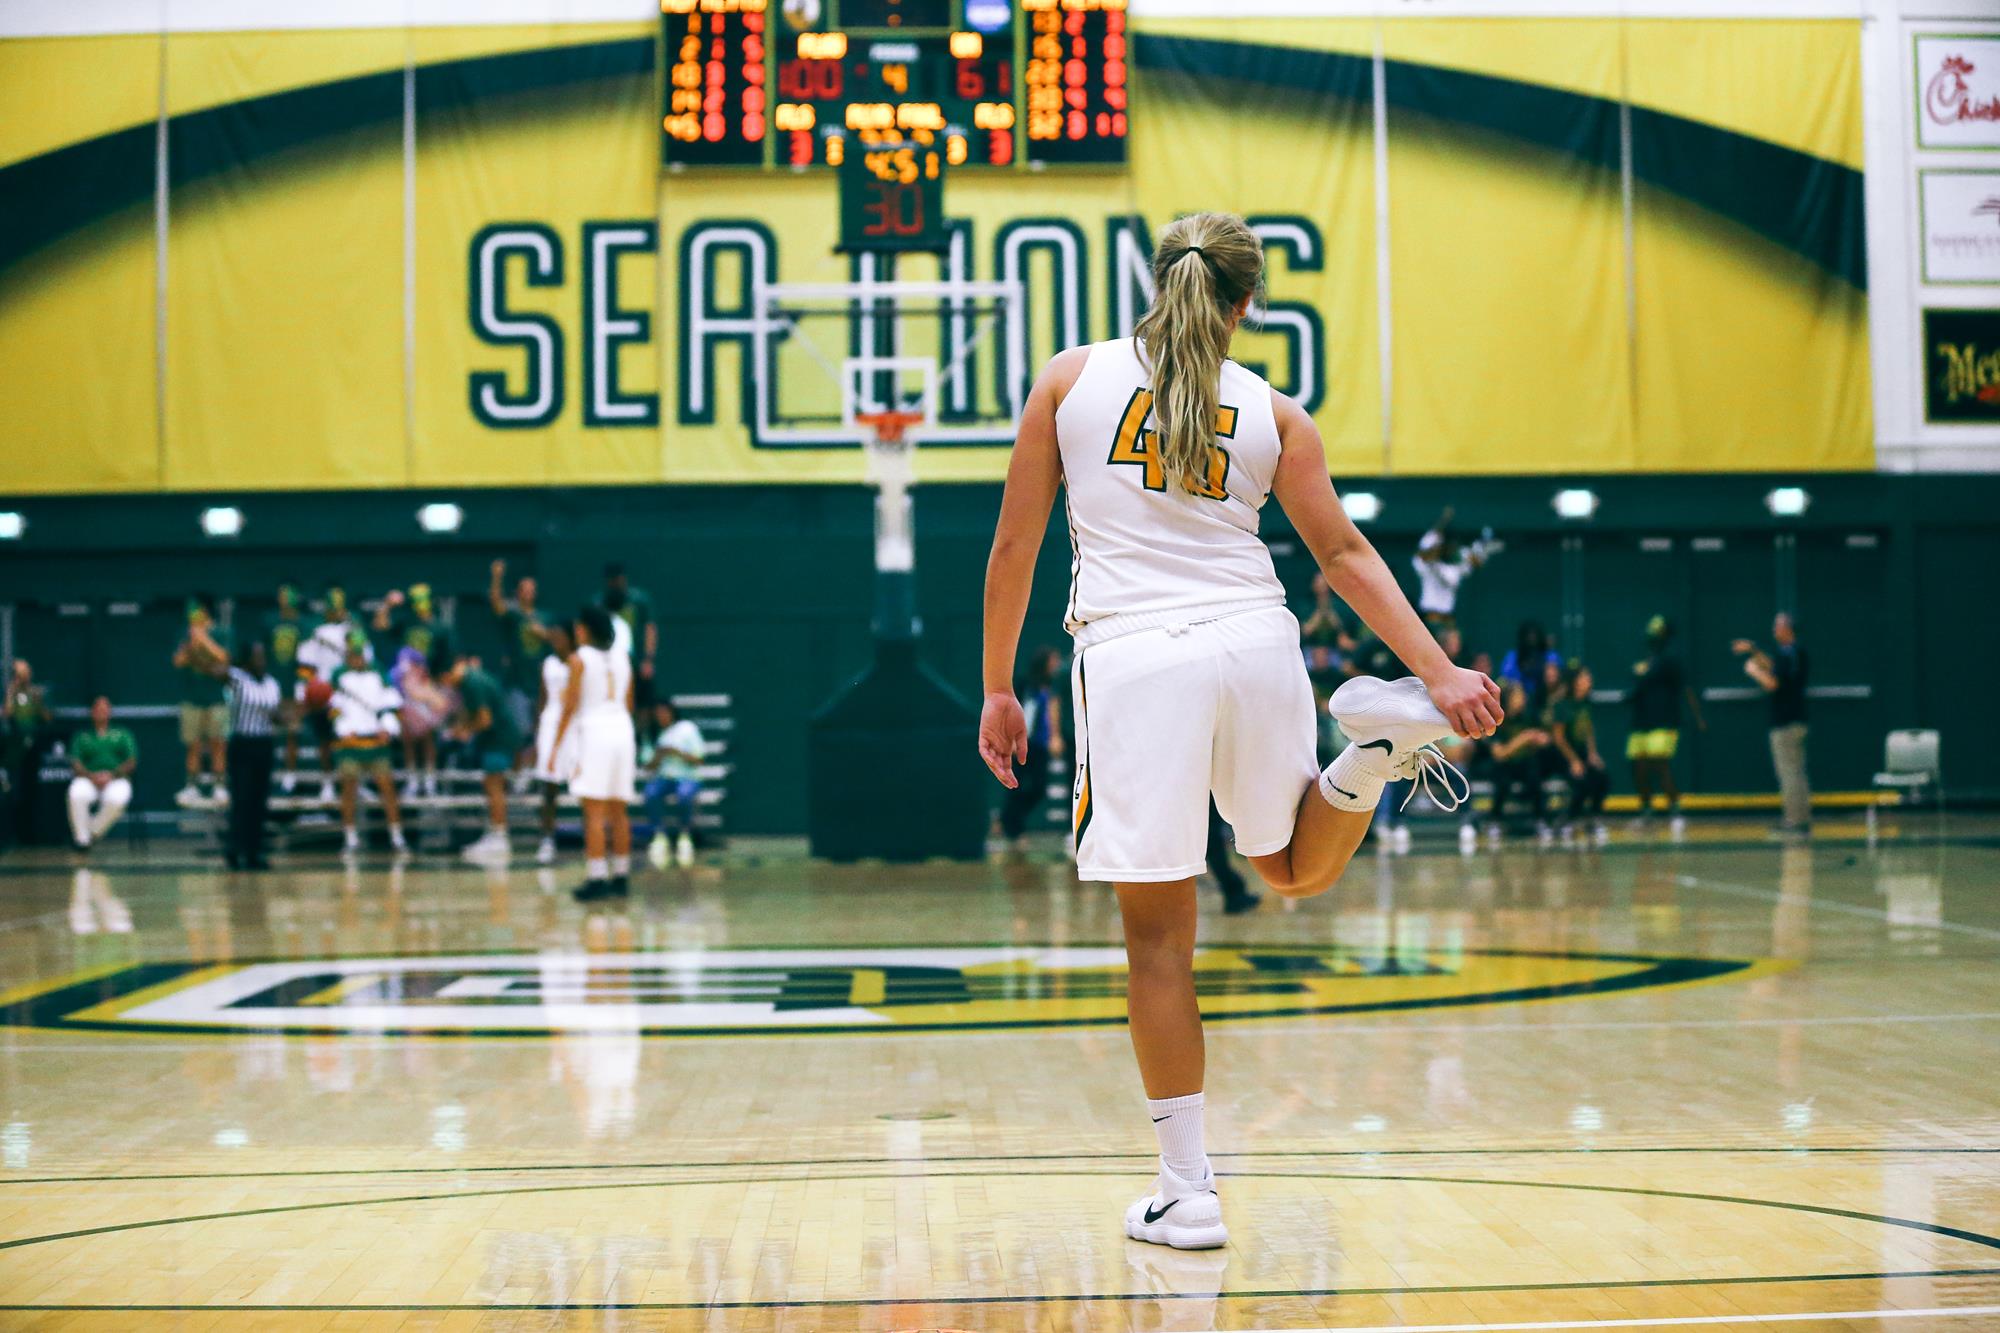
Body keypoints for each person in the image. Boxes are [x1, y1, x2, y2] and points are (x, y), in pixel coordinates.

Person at [976, 212, 1501, 1252]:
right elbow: (1343, 554)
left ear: (1156, 280)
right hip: (1257, 642)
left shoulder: (1067, 382)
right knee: (1292, 871)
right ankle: (1372, 751)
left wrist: (998, 687)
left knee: (1158, 943)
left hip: (1134, 658)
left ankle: (1186, 1188)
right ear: (1246, 303)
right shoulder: (1275, 411)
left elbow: (1013, 547)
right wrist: (1438, 672)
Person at [554, 605, 637, 901]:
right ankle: (622, 876)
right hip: (623, 730)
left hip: (595, 731)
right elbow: (630, 702)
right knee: (619, 811)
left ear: (585, 629)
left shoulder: (579, 659)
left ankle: (597, 877)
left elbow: (570, 705)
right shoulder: (623, 657)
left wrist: (556, 745)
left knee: (594, 812)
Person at [204, 640, 283, 870]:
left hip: (264, 744)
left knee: (259, 800)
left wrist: (291, 716)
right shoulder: (238, 678)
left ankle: (254, 852)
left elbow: (275, 715)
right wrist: (232, 663)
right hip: (242, 743)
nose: (261, 660)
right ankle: (234, 850)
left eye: (263, 656)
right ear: (247, 660)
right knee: (241, 798)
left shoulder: (272, 683)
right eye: (256, 656)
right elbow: (215, 671)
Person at [327, 634, 408, 855]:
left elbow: (391, 704)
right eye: (352, 654)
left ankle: (397, 836)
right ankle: (350, 838)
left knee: (387, 788)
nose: (356, 658)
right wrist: (343, 730)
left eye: (359, 654)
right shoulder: (338, 675)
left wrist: (388, 728)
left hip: (376, 742)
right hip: (350, 744)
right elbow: (334, 709)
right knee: (348, 790)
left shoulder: (378, 672)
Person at [1735, 613, 1810, 837]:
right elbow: (1777, 668)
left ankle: (1794, 823)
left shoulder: (1787, 654)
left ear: (1787, 629)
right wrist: (1754, 650)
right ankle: (1801, 819)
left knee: (1789, 774)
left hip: (1785, 722)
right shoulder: (1796, 652)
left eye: (1777, 626)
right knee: (1797, 772)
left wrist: (1754, 671)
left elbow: (1773, 683)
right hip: (1797, 720)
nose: (1774, 630)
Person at [1628, 614, 1703, 834]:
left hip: (1664, 720)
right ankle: (1646, 810)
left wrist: (1698, 717)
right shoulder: (1643, 661)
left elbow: (1686, 689)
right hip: (1641, 722)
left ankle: (1675, 809)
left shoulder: (1671, 659)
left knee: (1660, 763)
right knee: (1639, 766)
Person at [295, 583, 368, 804]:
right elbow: (306, 663)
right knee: (325, 741)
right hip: (324, 693)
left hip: (349, 693)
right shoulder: (316, 631)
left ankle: (358, 784)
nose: (336, 610)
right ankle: (327, 784)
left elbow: (366, 658)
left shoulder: (354, 630)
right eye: (332, 605)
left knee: (353, 739)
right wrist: (304, 692)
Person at [446, 654, 521, 863]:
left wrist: (464, 731)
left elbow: (484, 720)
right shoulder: (474, 679)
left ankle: (499, 836)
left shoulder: (472, 682)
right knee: (492, 786)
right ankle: (495, 833)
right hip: (497, 740)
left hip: (499, 740)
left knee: (494, 787)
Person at [999, 646, 1064, 850]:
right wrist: (1011, 740)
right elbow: (1013, 712)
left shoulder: (1054, 686)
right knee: (1015, 786)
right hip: (1021, 744)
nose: (1057, 664)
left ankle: (1008, 820)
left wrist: (1055, 737)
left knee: (1039, 787)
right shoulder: (1025, 684)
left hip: (1041, 746)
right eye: (1053, 660)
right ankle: (1012, 828)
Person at [489, 559, 546, 783]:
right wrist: (497, 577)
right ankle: (517, 773)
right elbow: (497, 604)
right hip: (517, 682)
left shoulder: (544, 617)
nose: (528, 593)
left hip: (540, 683)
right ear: (518, 592)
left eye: (532, 589)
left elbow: (557, 639)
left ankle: (532, 773)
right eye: (524, 589)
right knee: (519, 731)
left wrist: (543, 634)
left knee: (540, 731)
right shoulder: (514, 615)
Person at [171, 596, 230, 805]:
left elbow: (224, 658)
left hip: (216, 699)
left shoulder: (221, 633)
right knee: (193, 745)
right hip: (191, 699)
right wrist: (191, 643)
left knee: (218, 744)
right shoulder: (184, 634)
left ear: (205, 612)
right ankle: (191, 786)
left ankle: (219, 786)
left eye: (196, 610)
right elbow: (177, 661)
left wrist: (203, 639)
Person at [530, 620, 577, 865]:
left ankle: (596, 836)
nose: (556, 641)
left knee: (585, 785)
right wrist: (538, 732)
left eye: (561, 636)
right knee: (549, 786)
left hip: (575, 725)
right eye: (553, 637)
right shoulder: (547, 664)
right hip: (551, 724)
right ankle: (547, 839)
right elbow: (542, 699)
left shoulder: (579, 662)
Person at [67, 696, 136, 855]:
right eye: (98, 709)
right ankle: (82, 841)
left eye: (105, 709)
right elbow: (75, 762)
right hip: (89, 779)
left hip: (115, 779)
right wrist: (91, 776)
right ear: (92, 712)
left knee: (119, 797)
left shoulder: (123, 734)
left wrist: (111, 775)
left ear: (110, 712)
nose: (101, 712)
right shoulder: (82, 736)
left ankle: (92, 833)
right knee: (76, 792)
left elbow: (131, 761)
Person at [1483, 679, 1552, 839]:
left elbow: (1545, 737)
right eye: (1518, 695)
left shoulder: (1528, 717)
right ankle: (1495, 820)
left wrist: (1540, 739)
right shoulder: (1497, 720)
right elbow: (1499, 754)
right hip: (1503, 765)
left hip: (1525, 763)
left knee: (1535, 777)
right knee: (1502, 782)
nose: (1522, 699)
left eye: (1522, 695)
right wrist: (1523, 739)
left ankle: (1540, 820)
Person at [1549, 660, 1609, 843]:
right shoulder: (1561, 705)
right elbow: (1559, 738)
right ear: (1574, 680)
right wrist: (1574, 761)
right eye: (1584, 676)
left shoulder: (1585, 702)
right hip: (1563, 755)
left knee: (1602, 778)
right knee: (1581, 784)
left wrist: (1592, 753)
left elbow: (1588, 729)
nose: (1589, 679)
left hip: (1581, 752)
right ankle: (1567, 820)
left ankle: (1594, 818)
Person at [642, 697, 706, 868]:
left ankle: (685, 834)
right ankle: (659, 835)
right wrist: (659, 755)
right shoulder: (652, 733)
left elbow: (699, 759)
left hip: (688, 777)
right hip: (663, 778)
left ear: (672, 712)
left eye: (664, 712)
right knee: (650, 793)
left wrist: (678, 753)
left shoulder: (687, 728)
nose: (661, 716)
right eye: (657, 713)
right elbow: (647, 766)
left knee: (684, 794)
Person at [1412, 508, 1493, 634]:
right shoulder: (1427, 565)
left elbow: (1477, 562)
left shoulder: (1457, 566)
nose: (1451, 548)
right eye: (1448, 546)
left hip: (1447, 620)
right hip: (1428, 618)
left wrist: (1469, 553)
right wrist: (1444, 521)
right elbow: (1422, 554)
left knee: (1453, 641)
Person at [264, 580, 308, 793]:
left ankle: (290, 774)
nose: (285, 599)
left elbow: (308, 658)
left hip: (293, 688)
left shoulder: (303, 624)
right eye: (282, 594)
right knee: (267, 733)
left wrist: (302, 688)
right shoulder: (269, 621)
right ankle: (268, 771)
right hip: (270, 687)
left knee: (292, 733)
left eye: (289, 594)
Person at [4, 660, 53, 845]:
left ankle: (33, 833)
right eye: (18, 674)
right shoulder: (10, 693)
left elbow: (47, 717)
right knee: (14, 788)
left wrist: (38, 701)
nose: (22, 678)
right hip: (14, 747)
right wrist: (11, 692)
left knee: (33, 789)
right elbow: (7, 714)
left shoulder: (37, 693)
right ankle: (14, 833)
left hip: (34, 746)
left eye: (24, 673)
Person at [599, 563, 658, 712]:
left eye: (619, 580)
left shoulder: (639, 601)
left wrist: (648, 659)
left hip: (636, 661)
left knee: (643, 704)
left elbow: (650, 629)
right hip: (611, 662)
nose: (616, 584)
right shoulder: (600, 602)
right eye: (613, 580)